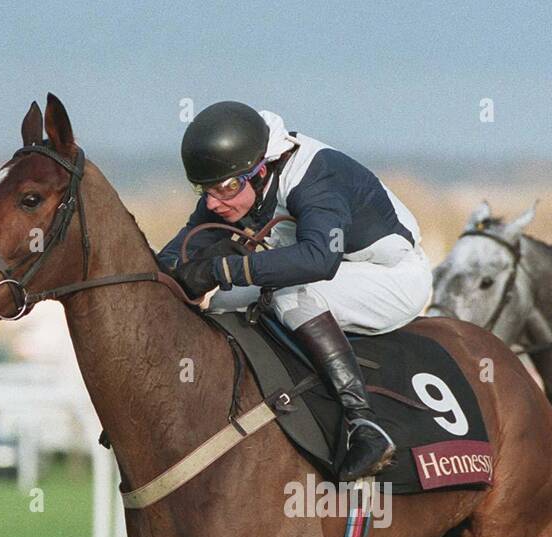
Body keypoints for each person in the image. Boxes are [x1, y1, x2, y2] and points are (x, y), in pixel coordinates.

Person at [159, 102, 432, 481]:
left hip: (391, 277)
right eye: (204, 190)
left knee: (289, 296)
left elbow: (320, 259)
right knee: (219, 305)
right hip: (337, 274)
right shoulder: (233, 177)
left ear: (261, 170)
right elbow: (176, 254)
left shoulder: (316, 175)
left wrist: (224, 268)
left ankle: (364, 426)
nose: (212, 202)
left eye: (225, 189)